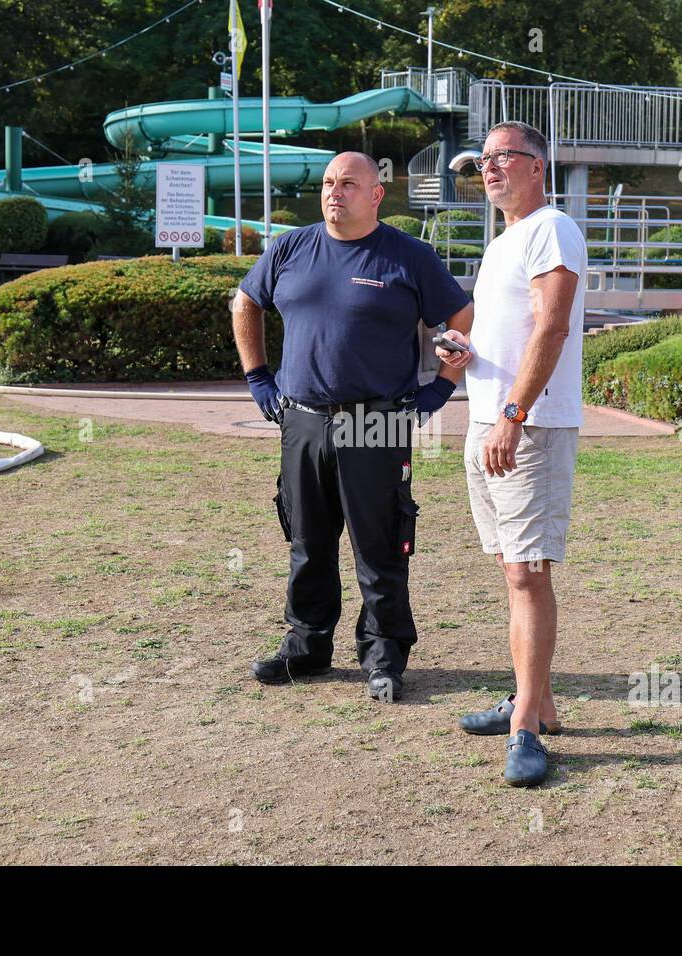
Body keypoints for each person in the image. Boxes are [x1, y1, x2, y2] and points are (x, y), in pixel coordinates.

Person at [232, 151, 474, 702]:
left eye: (347, 184)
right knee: (306, 540)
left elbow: (459, 317)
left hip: (379, 422)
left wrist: (439, 388)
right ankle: (307, 646)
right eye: (327, 183)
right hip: (304, 419)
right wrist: (259, 381)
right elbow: (246, 302)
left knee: (381, 544)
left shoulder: (409, 256)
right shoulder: (291, 247)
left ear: (376, 194)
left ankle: (384, 656)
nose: (334, 192)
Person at [437, 122, 586, 786]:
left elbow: (552, 326)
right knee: (512, 570)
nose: (490, 169)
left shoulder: (552, 228)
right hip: (490, 426)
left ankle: (524, 727)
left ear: (538, 168)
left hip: (527, 429)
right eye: (483, 162)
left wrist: (513, 416)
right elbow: (512, 329)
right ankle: (540, 703)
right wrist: (463, 354)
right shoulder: (502, 242)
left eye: (504, 159)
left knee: (528, 574)